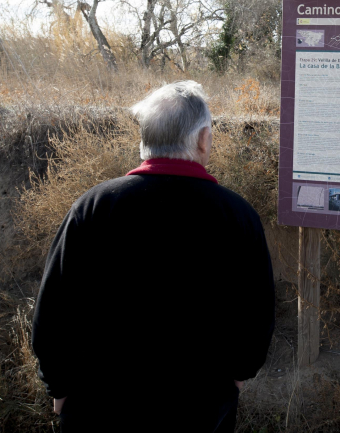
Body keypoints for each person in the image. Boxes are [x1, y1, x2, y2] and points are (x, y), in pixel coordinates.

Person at [31, 81, 275, 431]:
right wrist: (238, 375)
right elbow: (257, 314)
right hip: (200, 407)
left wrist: (59, 385)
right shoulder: (238, 217)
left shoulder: (94, 207)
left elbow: (53, 311)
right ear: (204, 139)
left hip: (99, 407)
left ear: (143, 140)